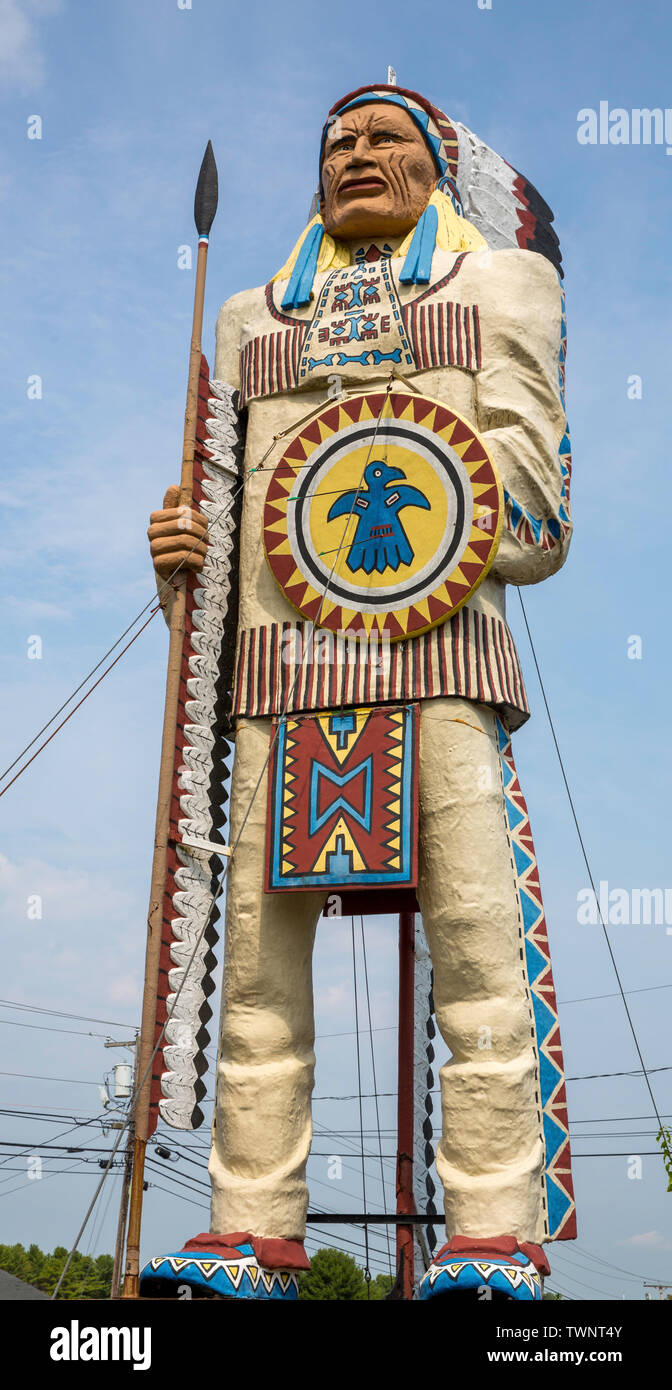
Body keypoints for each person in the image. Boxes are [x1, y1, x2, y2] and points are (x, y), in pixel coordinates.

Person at [141, 84, 576, 1302]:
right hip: (280, 677)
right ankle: (250, 1223)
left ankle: (492, 1229)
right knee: (257, 973)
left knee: (478, 951)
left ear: (437, 168)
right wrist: (185, 553)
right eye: (337, 144)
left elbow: (538, 506)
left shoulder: (501, 286)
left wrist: (447, 507)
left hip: (438, 660)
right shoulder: (251, 318)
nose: (357, 156)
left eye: (386, 138)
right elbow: (224, 516)